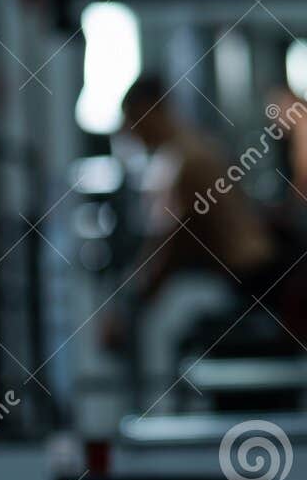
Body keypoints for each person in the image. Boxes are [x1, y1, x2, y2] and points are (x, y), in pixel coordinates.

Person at [101, 73, 284, 353]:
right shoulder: (188, 150)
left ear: (155, 109)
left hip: (249, 278)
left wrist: (129, 307)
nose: (133, 132)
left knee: (172, 329)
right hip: (244, 274)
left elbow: (168, 244)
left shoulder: (186, 160)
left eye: (136, 119)